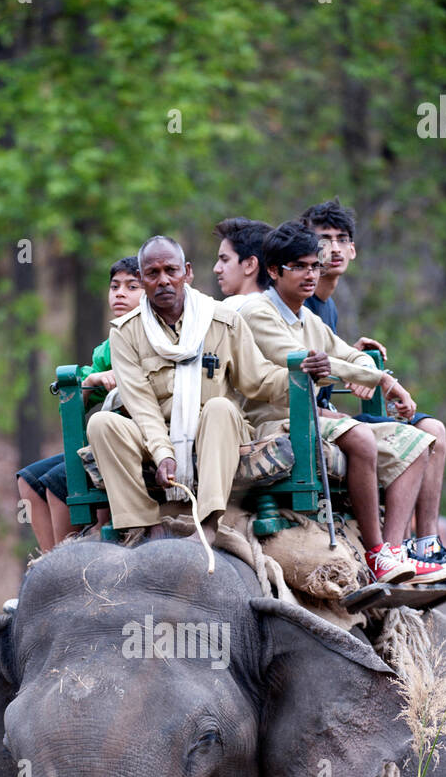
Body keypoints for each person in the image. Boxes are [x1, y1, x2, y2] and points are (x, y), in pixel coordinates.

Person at [240, 221, 446, 585]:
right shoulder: (256, 312)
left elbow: (347, 357)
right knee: (360, 437)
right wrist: (381, 379)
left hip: (311, 416)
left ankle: (395, 553)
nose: (310, 275)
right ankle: (375, 555)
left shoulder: (308, 318)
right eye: (300, 267)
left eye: (314, 266)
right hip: (271, 420)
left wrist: (371, 371)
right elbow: (301, 358)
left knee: (418, 442)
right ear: (275, 271)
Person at [301, 199, 446, 582]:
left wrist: (356, 360)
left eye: (342, 240)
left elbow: (328, 355)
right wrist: (364, 376)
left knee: (435, 431)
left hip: (330, 412)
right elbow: (303, 364)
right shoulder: (301, 298)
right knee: (415, 440)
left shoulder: (329, 306)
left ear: (354, 250)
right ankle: (389, 555)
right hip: (313, 415)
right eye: (324, 240)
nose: (334, 249)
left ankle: (425, 547)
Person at [87, 234, 303, 542]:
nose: (163, 281)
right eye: (152, 273)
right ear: (143, 279)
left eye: (170, 271)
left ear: (187, 272)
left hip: (215, 430)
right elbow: (142, 405)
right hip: (154, 433)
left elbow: (259, 380)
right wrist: (163, 454)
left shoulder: (223, 321)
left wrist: (303, 375)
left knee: (219, 407)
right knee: (103, 423)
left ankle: (211, 523)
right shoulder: (125, 333)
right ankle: (145, 524)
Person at [16, 257, 142, 551]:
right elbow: (74, 405)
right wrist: (95, 381)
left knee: (58, 483)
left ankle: (65, 565)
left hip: (131, 442)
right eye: (115, 287)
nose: (120, 293)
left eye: (132, 287)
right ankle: (47, 562)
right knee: (28, 480)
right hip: (105, 440)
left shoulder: (151, 335)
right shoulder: (110, 345)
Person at [212, 217, 270, 310]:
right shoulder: (276, 310)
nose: (216, 269)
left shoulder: (231, 311)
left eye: (225, 260)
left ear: (250, 265)